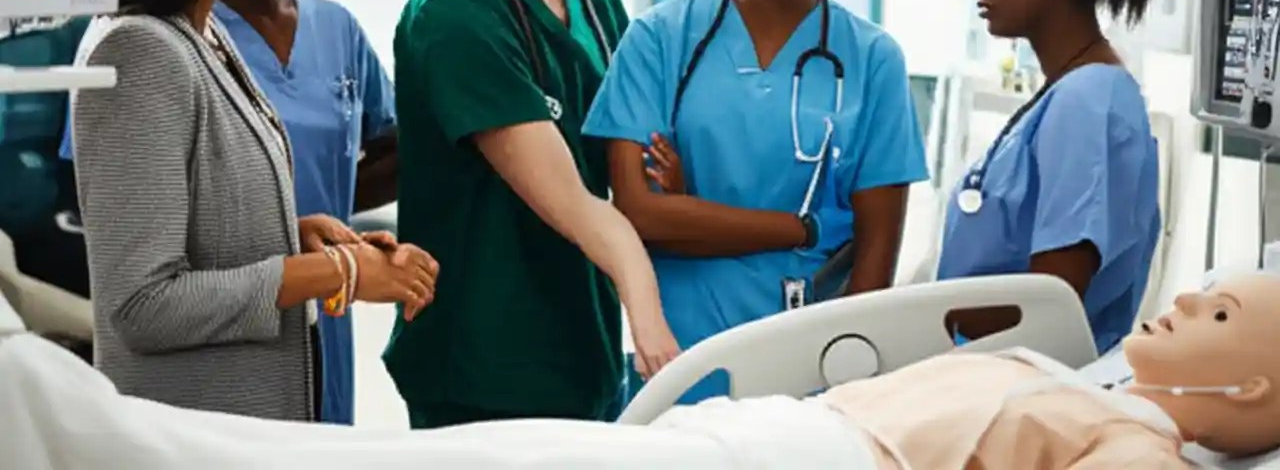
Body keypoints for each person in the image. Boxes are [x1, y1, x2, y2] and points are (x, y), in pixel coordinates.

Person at [13, 271, 1280, 468]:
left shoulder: (1136, 444)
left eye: (1217, 308)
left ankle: (50, 418)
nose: (1176, 298)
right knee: (392, 458)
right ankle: (53, 414)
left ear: (1255, 395)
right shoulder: (1097, 387)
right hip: (728, 441)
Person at [70, 0, 438, 422]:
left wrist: (296, 237)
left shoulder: (202, 35)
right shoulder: (138, 52)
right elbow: (142, 306)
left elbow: (198, 229)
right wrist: (335, 274)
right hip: (190, 437)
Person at [581, 0, 928, 404]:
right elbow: (640, 216)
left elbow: (872, 269)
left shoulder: (873, 60)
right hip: (679, 366)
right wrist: (809, 228)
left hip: (814, 381)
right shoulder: (659, 41)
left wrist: (839, 389)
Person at [384, 0, 678, 430]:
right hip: (484, 367)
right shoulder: (458, 16)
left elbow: (628, 158)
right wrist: (649, 320)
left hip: (583, 350)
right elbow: (574, 202)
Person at [207, 0, 397, 426]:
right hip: (225, 316)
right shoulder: (173, 37)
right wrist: (280, 231)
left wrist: (332, 230)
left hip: (326, 305)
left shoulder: (336, 29)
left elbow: (392, 152)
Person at [936, 0, 1166, 355]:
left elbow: (1048, 305)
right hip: (992, 376)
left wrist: (931, 315)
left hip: (1034, 390)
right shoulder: (1069, 92)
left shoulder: (1090, 101)